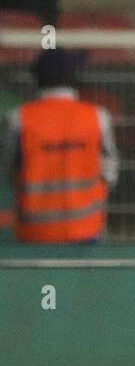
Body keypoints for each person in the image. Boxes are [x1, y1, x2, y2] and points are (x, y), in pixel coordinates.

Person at [2, 49, 118, 244]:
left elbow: (7, 167)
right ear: (73, 77)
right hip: (87, 229)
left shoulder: (19, 119)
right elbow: (110, 169)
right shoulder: (98, 117)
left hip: (35, 233)